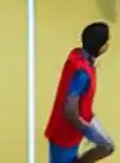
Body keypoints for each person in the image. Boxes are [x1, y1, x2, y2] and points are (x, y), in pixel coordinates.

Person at [45, 22, 116, 163]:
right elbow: (70, 110)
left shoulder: (78, 55)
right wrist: (88, 131)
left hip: (81, 120)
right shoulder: (82, 73)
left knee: (107, 146)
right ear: (102, 47)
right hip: (64, 135)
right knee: (106, 146)